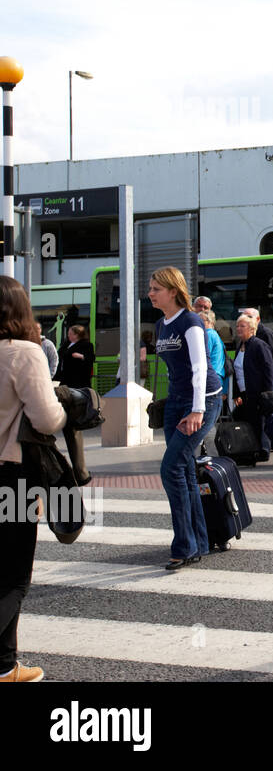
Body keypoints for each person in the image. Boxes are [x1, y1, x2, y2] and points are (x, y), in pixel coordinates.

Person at [0, 277, 67, 682]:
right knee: (11, 575)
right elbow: (46, 417)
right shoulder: (24, 353)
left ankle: (5, 665)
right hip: (11, 474)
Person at [148, 267, 223, 570]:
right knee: (185, 470)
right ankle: (199, 542)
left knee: (171, 468)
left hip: (203, 399)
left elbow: (200, 368)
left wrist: (196, 411)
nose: (150, 293)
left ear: (173, 291)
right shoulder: (161, 324)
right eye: (150, 288)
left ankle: (184, 546)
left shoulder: (191, 321)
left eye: (156, 289)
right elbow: (173, 369)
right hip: (177, 401)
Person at [231, 314, 273, 456]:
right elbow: (237, 371)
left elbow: (269, 370)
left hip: (258, 392)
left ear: (251, 328)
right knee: (243, 418)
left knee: (258, 421)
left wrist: (267, 394)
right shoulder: (240, 346)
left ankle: (263, 450)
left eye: (242, 326)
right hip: (245, 393)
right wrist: (236, 394)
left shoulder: (259, 345)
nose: (238, 328)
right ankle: (250, 448)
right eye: (237, 325)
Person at [57, 325, 95, 486]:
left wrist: (80, 357)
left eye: (72, 333)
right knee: (71, 432)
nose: (69, 335)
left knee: (72, 429)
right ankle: (80, 473)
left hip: (77, 386)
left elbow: (89, 359)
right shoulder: (66, 345)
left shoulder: (86, 345)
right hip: (65, 385)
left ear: (78, 334)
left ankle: (79, 473)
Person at [239, 307, 273, 391]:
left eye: (249, 317)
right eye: (243, 317)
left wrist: (267, 383)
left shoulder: (266, 333)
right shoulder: (245, 335)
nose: (245, 319)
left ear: (258, 319)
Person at [199, 310, 229, 415]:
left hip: (210, 379)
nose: (198, 323)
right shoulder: (216, 336)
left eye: (201, 320)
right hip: (217, 379)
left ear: (211, 322)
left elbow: (203, 358)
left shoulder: (208, 335)